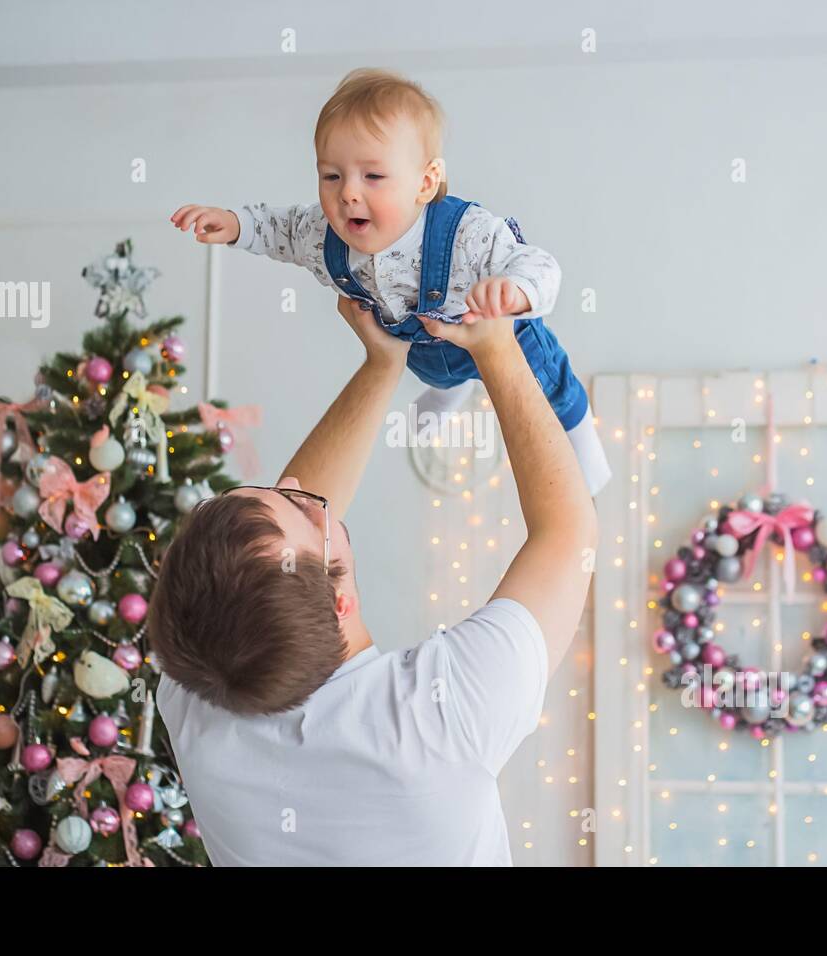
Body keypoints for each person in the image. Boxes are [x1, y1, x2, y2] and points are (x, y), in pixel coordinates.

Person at [150, 293, 599, 866]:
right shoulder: (437, 716)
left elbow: (290, 533)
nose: (313, 498)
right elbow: (568, 533)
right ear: (338, 600)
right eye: (305, 513)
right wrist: (499, 349)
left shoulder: (196, 700)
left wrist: (383, 362)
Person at [168, 66, 612, 495]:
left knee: (551, 382)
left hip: (501, 332)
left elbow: (540, 265)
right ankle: (448, 393)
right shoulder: (322, 235)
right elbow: (279, 228)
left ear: (425, 182)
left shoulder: (467, 233)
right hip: (421, 347)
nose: (348, 193)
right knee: (434, 372)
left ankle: (587, 451)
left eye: (373, 176)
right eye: (331, 175)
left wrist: (514, 291)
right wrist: (235, 224)